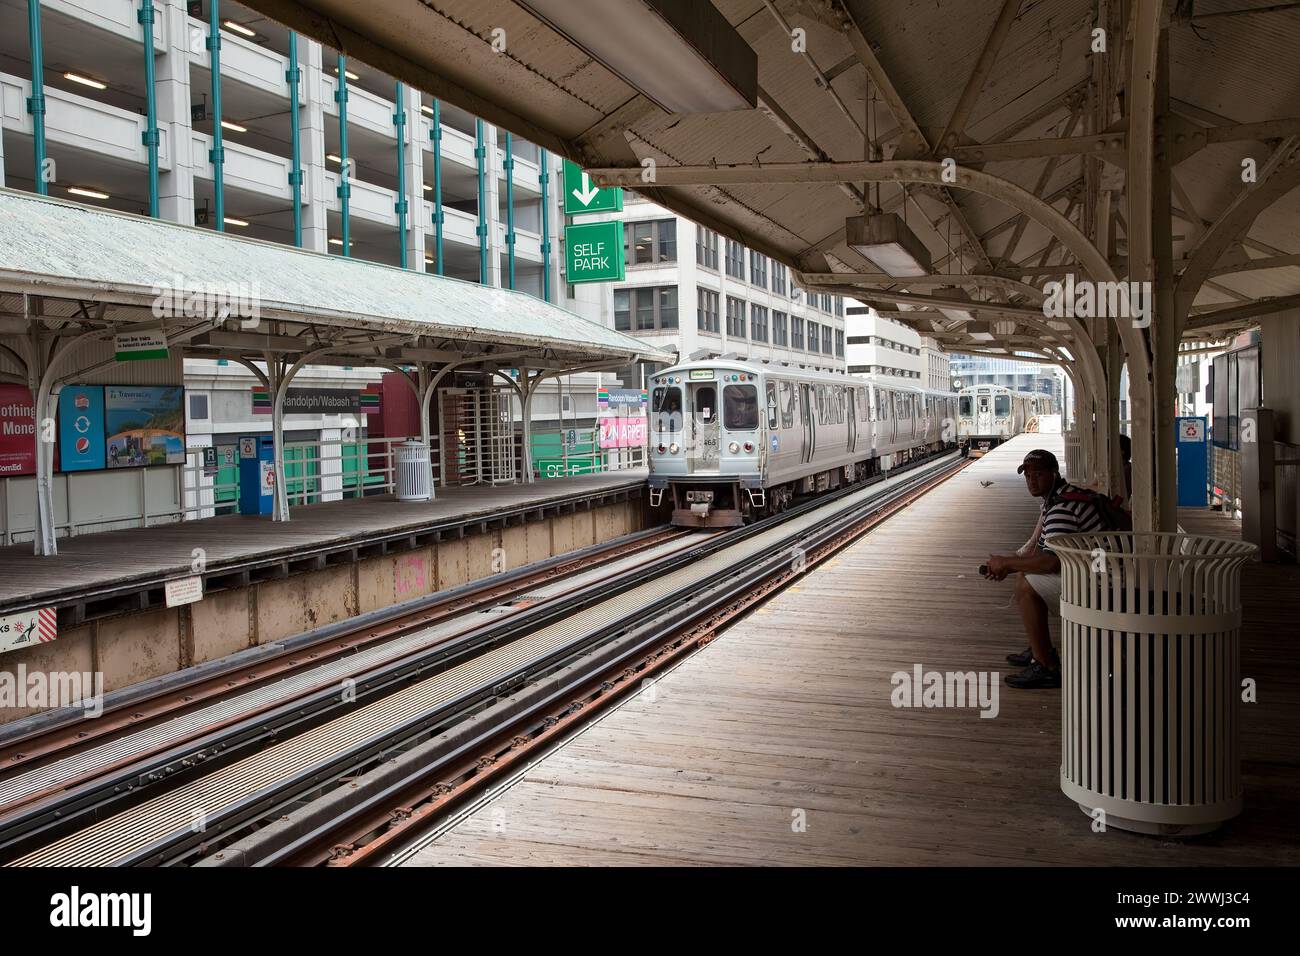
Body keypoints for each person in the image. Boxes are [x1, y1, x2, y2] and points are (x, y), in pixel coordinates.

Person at [983, 449, 1107, 689]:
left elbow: (1051, 562)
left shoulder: (1061, 508)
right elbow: (1037, 554)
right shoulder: (1060, 498)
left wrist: (1006, 564)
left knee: (1026, 585)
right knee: (1024, 573)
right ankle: (1039, 647)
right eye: (1027, 476)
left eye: (1038, 474)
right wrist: (1007, 564)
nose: (1032, 481)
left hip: (1102, 583)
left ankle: (1046, 665)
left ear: (1054, 473)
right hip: (1095, 570)